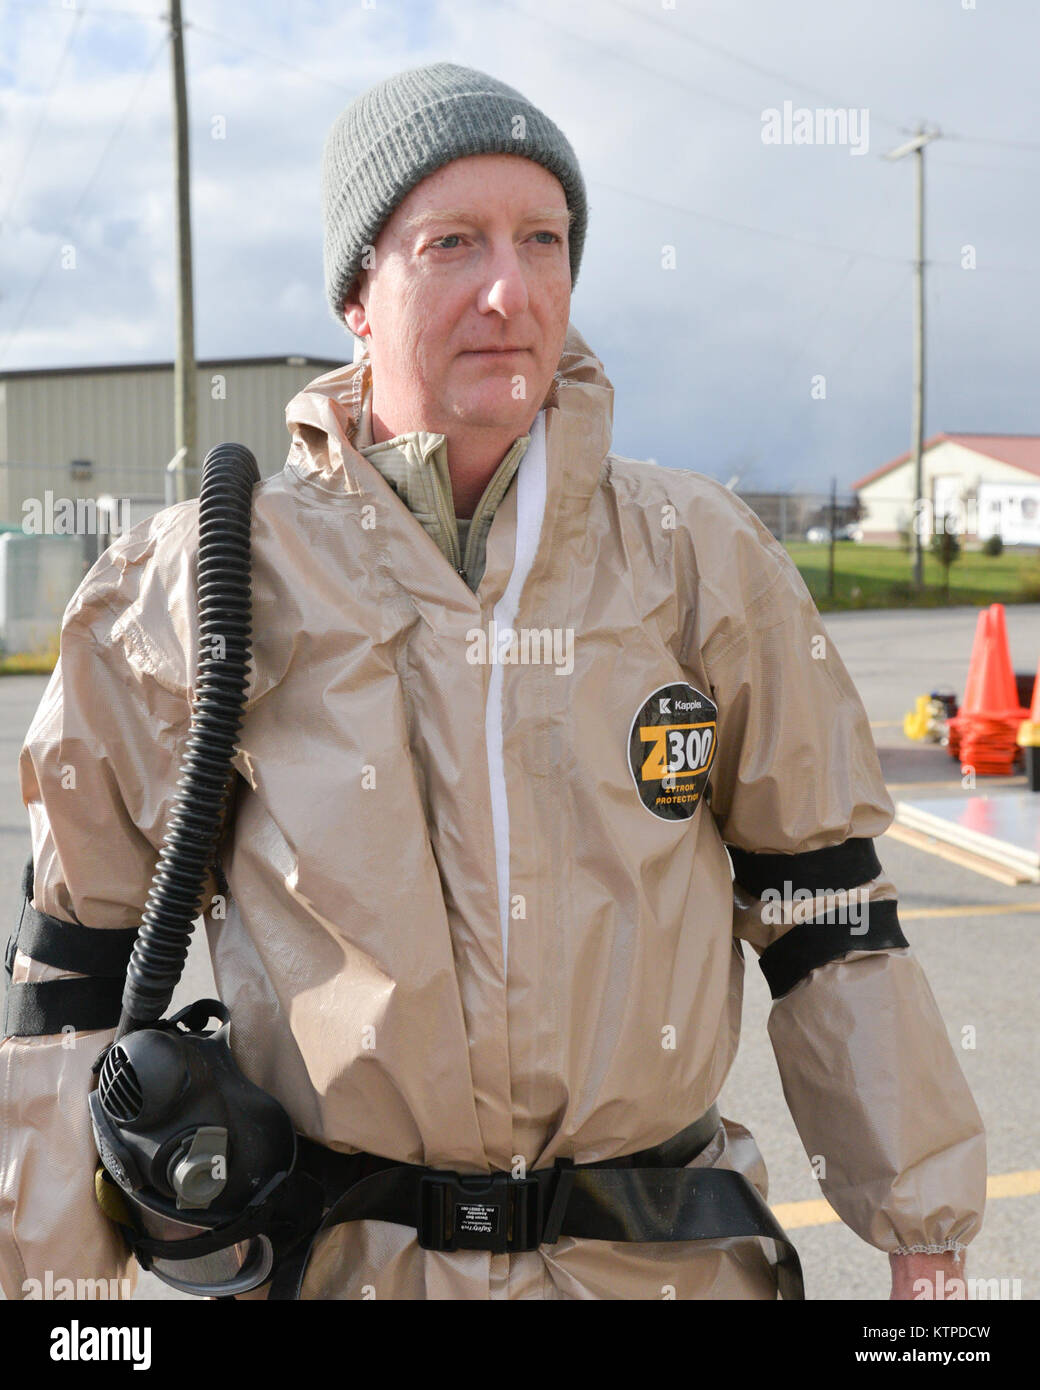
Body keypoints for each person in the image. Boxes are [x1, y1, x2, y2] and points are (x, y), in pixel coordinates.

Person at [1, 62, 985, 1301]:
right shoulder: (201, 581)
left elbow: (829, 916)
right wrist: (57, 1302)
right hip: (345, 1270)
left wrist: (928, 1240)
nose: (508, 290)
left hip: (657, 1268)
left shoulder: (698, 560)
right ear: (359, 290)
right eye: (450, 243)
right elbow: (70, 979)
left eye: (543, 239)